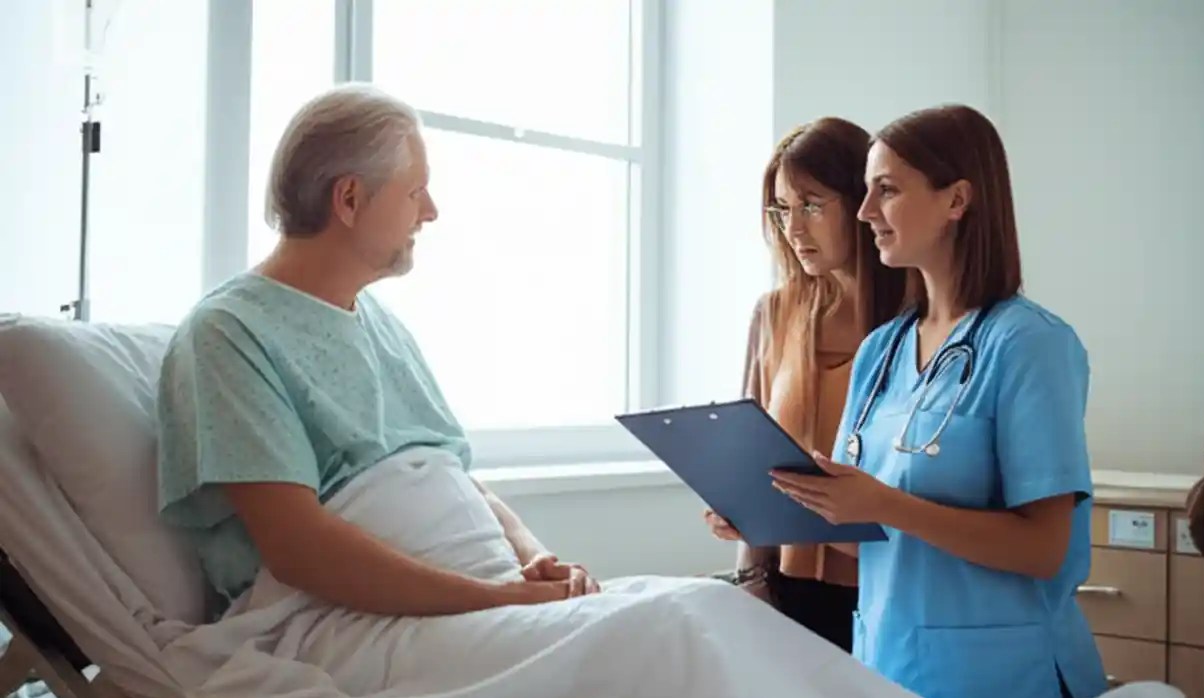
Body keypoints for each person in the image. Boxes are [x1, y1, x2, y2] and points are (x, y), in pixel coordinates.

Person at [156, 83, 598, 621]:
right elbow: (301, 551)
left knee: (697, 609)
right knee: (679, 634)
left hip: (480, 598)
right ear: (348, 199)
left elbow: (454, 477)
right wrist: (500, 600)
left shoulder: (380, 322)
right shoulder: (228, 334)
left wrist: (536, 558)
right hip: (347, 622)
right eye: (416, 192)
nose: (431, 212)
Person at [770, 104, 1110, 698]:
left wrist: (883, 505)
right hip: (890, 672)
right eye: (866, 192)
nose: (867, 211)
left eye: (887, 191)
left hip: (1004, 682)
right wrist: (766, 510)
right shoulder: (883, 349)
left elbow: (1043, 549)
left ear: (957, 200)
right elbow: (868, 539)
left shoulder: (1030, 345)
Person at [702, 117, 907, 652]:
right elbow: (750, 455)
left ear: (862, 202)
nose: (794, 229)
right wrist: (750, 577)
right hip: (787, 591)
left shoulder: (921, 319)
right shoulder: (774, 314)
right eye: (782, 209)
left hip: (895, 591)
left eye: (812, 205)